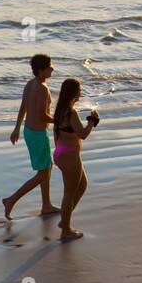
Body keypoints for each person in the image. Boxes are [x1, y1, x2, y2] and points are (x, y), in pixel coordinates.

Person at [3, 54, 60, 220]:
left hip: (29, 131)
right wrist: (60, 120)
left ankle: (46, 205)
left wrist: (16, 129)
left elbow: (23, 107)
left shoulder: (30, 84)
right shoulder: (42, 89)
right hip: (38, 134)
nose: (52, 69)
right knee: (43, 173)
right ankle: (11, 200)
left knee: (46, 167)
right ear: (41, 71)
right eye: (49, 67)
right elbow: (43, 116)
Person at [52, 78, 99, 241]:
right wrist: (92, 121)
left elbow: (57, 134)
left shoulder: (60, 110)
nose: (80, 93)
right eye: (79, 90)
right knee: (69, 193)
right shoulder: (71, 113)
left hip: (61, 152)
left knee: (82, 185)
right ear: (73, 93)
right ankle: (65, 230)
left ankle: (64, 220)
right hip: (69, 156)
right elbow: (83, 134)